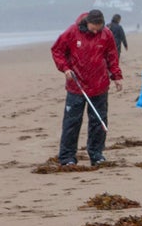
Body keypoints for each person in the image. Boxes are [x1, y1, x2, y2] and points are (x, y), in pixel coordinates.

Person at [51, 9, 123, 166]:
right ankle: (67, 157)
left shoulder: (106, 34)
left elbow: (112, 55)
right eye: (93, 27)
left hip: (100, 85)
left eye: (99, 26)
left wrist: (116, 76)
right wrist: (65, 68)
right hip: (76, 85)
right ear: (87, 22)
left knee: (99, 121)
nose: (96, 30)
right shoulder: (72, 32)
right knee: (72, 122)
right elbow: (57, 50)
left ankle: (96, 154)